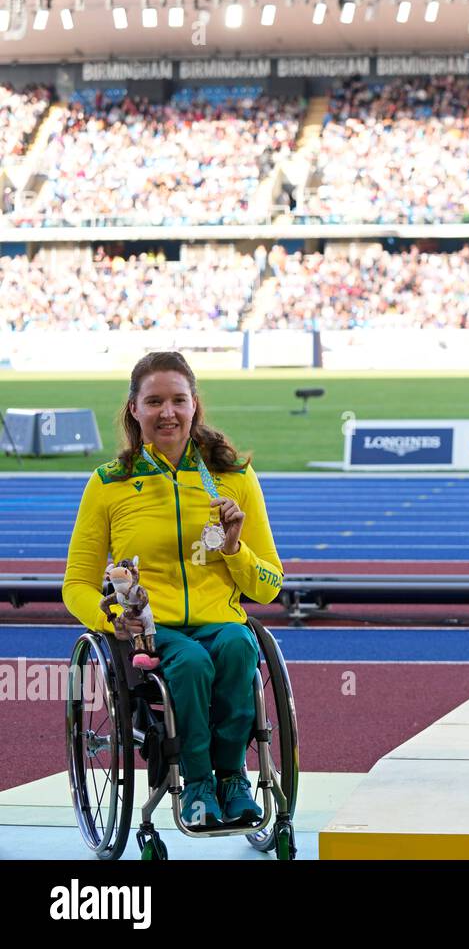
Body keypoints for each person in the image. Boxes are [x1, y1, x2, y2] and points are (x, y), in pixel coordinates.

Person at [63, 352, 285, 829]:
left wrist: (234, 549)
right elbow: (76, 585)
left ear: (194, 405)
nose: (168, 412)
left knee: (235, 646)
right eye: (155, 401)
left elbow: (269, 587)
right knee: (190, 660)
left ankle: (233, 779)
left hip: (220, 622)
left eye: (178, 400)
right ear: (134, 409)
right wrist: (108, 620)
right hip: (152, 631)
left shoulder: (234, 478)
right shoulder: (109, 484)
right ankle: (198, 784)